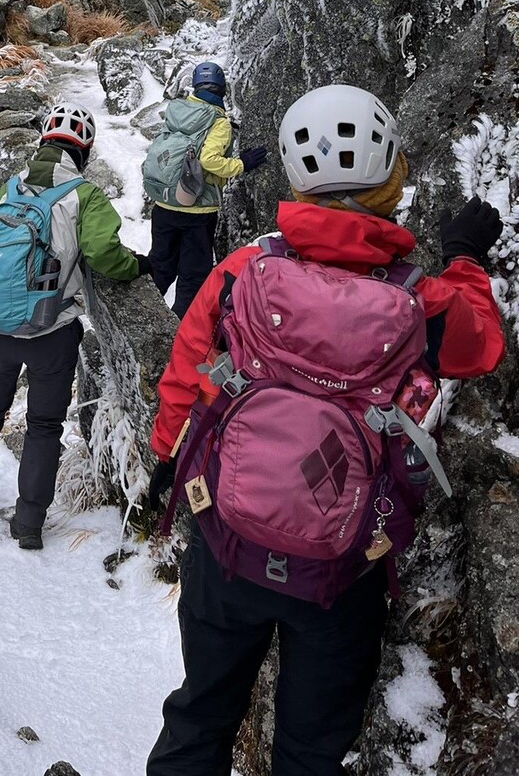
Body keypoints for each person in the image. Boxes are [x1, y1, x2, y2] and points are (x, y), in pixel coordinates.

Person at [145, 83, 505, 776]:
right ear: (394, 174)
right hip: (344, 570)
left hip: (226, 541)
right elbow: (479, 348)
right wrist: (464, 260)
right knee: (310, 752)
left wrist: (169, 461)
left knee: (200, 714)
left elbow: (186, 379)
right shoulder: (418, 303)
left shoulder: (243, 272)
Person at [0, 102, 149, 550]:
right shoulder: (85, 195)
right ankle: (28, 523)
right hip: (51, 330)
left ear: (44, 141)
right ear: (85, 149)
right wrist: (135, 268)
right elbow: (103, 255)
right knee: (44, 425)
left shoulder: (11, 187)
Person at [142, 61, 267, 319]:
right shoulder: (217, 121)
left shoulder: (178, 110)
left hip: (165, 204)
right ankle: (178, 333)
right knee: (193, 274)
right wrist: (242, 164)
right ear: (222, 91)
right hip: (197, 210)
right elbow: (209, 160)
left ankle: (146, 319)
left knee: (161, 266)